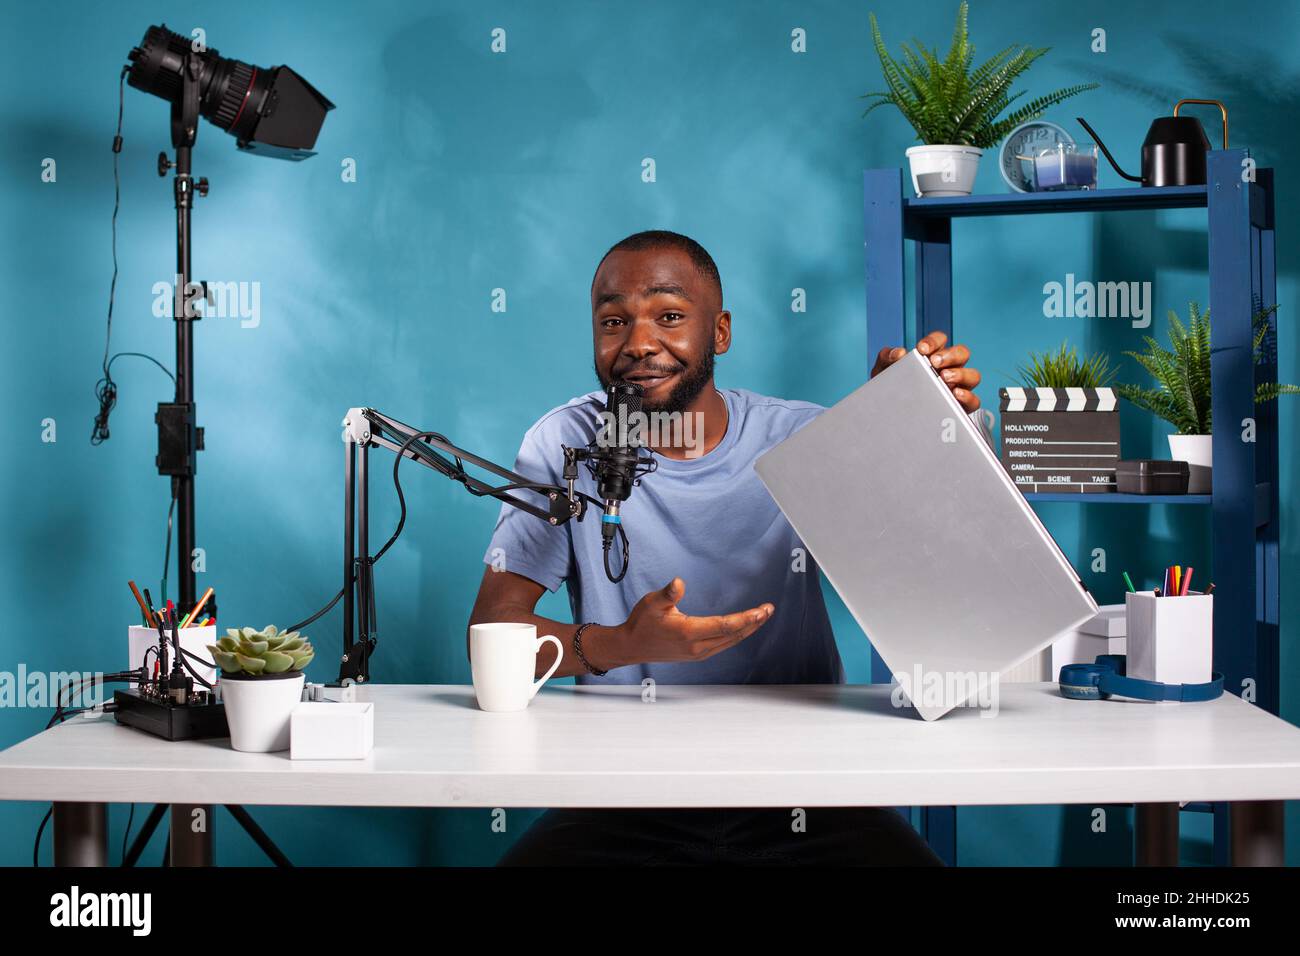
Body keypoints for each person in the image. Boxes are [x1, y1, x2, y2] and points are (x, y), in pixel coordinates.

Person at [468, 230, 980, 865]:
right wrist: (624, 644)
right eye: (613, 321)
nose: (638, 343)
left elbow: (932, 566)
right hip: (621, 793)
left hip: (804, 790)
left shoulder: (800, 438)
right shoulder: (564, 444)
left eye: (671, 316)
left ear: (721, 333)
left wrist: (899, 424)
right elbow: (495, 628)